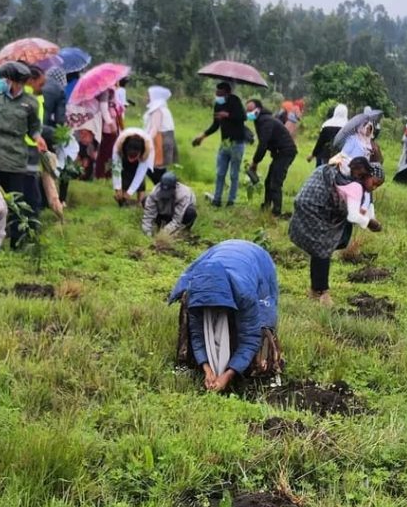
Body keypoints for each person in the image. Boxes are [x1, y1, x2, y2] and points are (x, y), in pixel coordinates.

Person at [168, 240, 281, 392]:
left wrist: (228, 374)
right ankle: (186, 361)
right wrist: (207, 368)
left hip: (257, 260)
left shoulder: (244, 295)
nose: (212, 311)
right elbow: (197, 334)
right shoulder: (194, 294)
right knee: (188, 315)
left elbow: (250, 338)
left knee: (262, 326)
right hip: (218, 254)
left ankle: (264, 369)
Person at [0, 62, 47, 248]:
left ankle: (17, 240)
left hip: (14, 157)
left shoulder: (30, 103)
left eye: (7, 80)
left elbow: (34, 129)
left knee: (16, 201)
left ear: (16, 82)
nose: (3, 82)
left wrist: (38, 139)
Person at [290, 157, 381, 305]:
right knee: (323, 248)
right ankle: (323, 293)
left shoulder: (343, 172)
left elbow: (365, 205)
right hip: (315, 207)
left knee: (320, 249)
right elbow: (352, 215)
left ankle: (315, 290)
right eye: (375, 183)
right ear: (367, 175)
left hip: (309, 202)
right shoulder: (356, 186)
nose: (374, 187)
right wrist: (370, 223)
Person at [192, 82, 247, 207]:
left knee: (234, 174)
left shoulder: (235, 101)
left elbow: (243, 117)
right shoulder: (218, 105)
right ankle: (217, 199)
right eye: (217, 93)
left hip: (237, 143)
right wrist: (202, 136)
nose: (218, 96)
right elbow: (215, 125)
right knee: (220, 172)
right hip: (225, 143)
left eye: (220, 94)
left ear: (227, 93)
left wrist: (227, 115)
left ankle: (231, 201)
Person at [247, 99, 297, 216]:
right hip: (279, 152)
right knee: (269, 181)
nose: (248, 113)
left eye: (250, 110)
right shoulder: (260, 120)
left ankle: (276, 212)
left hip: (285, 152)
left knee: (275, 182)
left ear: (257, 110)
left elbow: (263, 144)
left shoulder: (266, 121)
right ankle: (266, 206)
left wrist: (255, 162)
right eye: (247, 110)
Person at [142, 172, 197, 236]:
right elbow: (148, 216)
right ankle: (160, 225)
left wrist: (163, 233)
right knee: (145, 200)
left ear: (174, 187)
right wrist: (147, 231)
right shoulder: (155, 192)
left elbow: (177, 219)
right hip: (164, 211)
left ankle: (183, 230)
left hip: (180, 214)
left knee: (190, 212)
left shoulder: (183, 194)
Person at [112, 128, 154, 206]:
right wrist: (117, 188)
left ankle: (140, 201)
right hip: (123, 153)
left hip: (142, 156)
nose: (131, 160)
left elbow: (140, 174)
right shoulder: (119, 146)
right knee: (125, 173)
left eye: (134, 157)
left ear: (140, 153)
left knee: (139, 176)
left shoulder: (147, 149)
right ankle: (122, 197)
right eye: (130, 157)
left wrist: (130, 192)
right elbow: (116, 170)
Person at [144, 86, 177, 183]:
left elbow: (155, 128)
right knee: (156, 168)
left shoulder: (157, 110)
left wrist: (146, 140)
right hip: (163, 138)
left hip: (159, 140)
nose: (146, 98)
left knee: (153, 168)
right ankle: (165, 187)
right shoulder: (163, 109)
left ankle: (165, 187)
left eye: (148, 96)